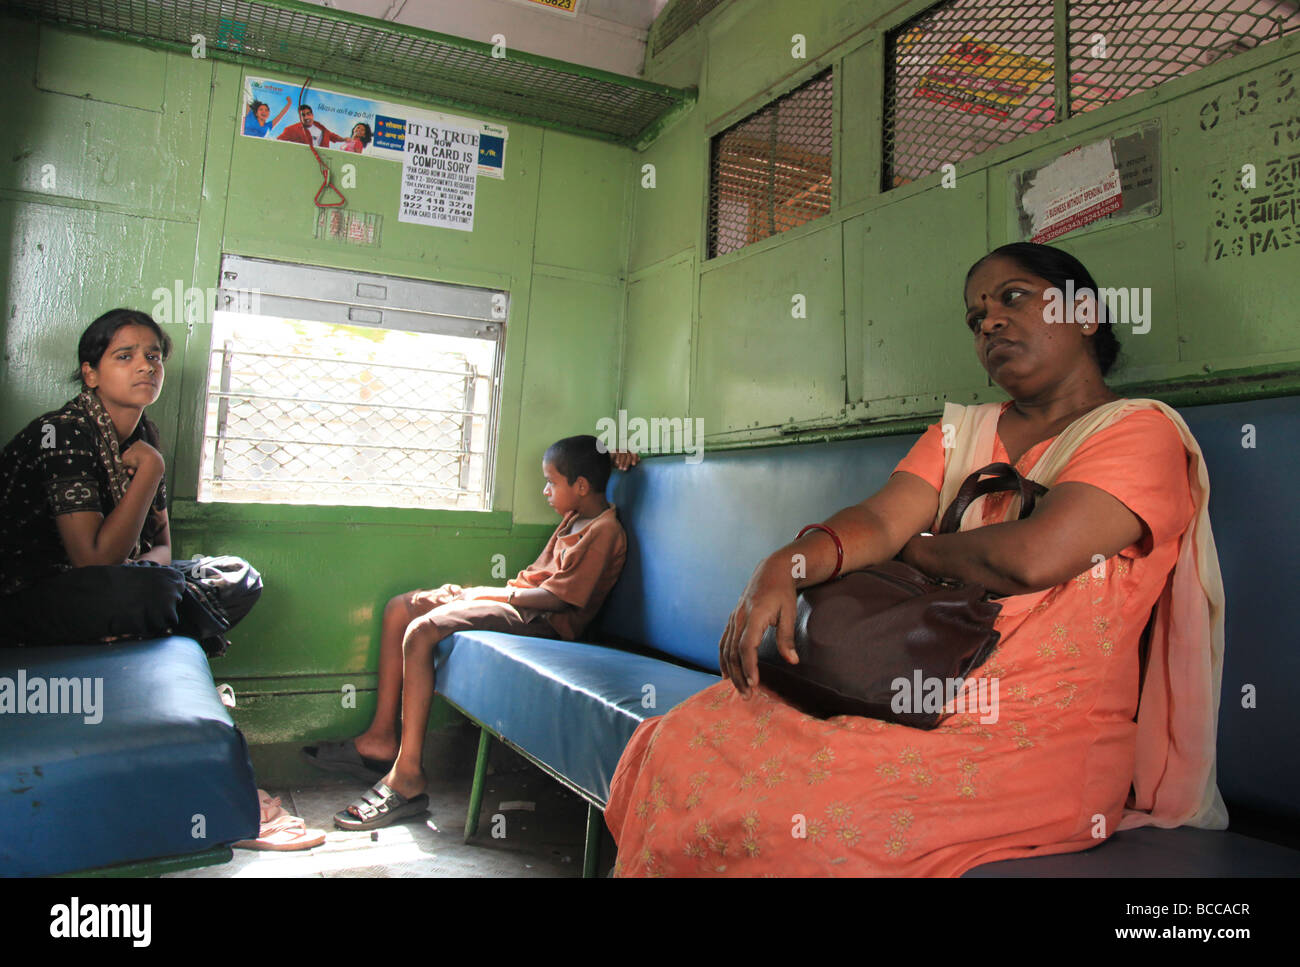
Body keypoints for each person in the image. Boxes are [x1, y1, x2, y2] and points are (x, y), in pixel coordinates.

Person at [604, 242, 1227, 876]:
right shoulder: (962, 432)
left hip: (1029, 737)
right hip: (902, 697)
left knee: (797, 823)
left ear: (1087, 313)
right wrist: (784, 564)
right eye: (975, 317)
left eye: (1013, 297)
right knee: (680, 741)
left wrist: (914, 545)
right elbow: (878, 519)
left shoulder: (1139, 430)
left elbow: (1034, 558)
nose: (988, 323)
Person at [304, 436, 638, 831]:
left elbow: (556, 600)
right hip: (522, 605)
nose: (545, 491)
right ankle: (380, 739)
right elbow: (587, 458)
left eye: (551, 482)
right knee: (401, 608)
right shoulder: (576, 516)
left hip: (545, 624)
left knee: (423, 628)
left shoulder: (604, 531)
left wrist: (475, 593)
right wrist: (467, 594)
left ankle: (408, 774)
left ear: (580, 486)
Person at [0, 310, 173, 644]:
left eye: (154, 356)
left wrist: (140, 571)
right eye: (125, 356)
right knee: (159, 591)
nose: (146, 366)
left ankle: (142, 615)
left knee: (235, 578)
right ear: (90, 374)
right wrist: (150, 471)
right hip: (25, 591)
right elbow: (93, 562)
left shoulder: (144, 441)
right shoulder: (61, 430)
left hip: (109, 583)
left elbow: (163, 547)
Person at [276, 104, 346, 148]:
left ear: (312, 115)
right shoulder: (291, 130)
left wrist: (344, 139)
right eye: (303, 115)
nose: (306, 117)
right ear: (300, 117)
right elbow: (277, 143)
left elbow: (331, 135)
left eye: (308, 114)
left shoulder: (319, 126)